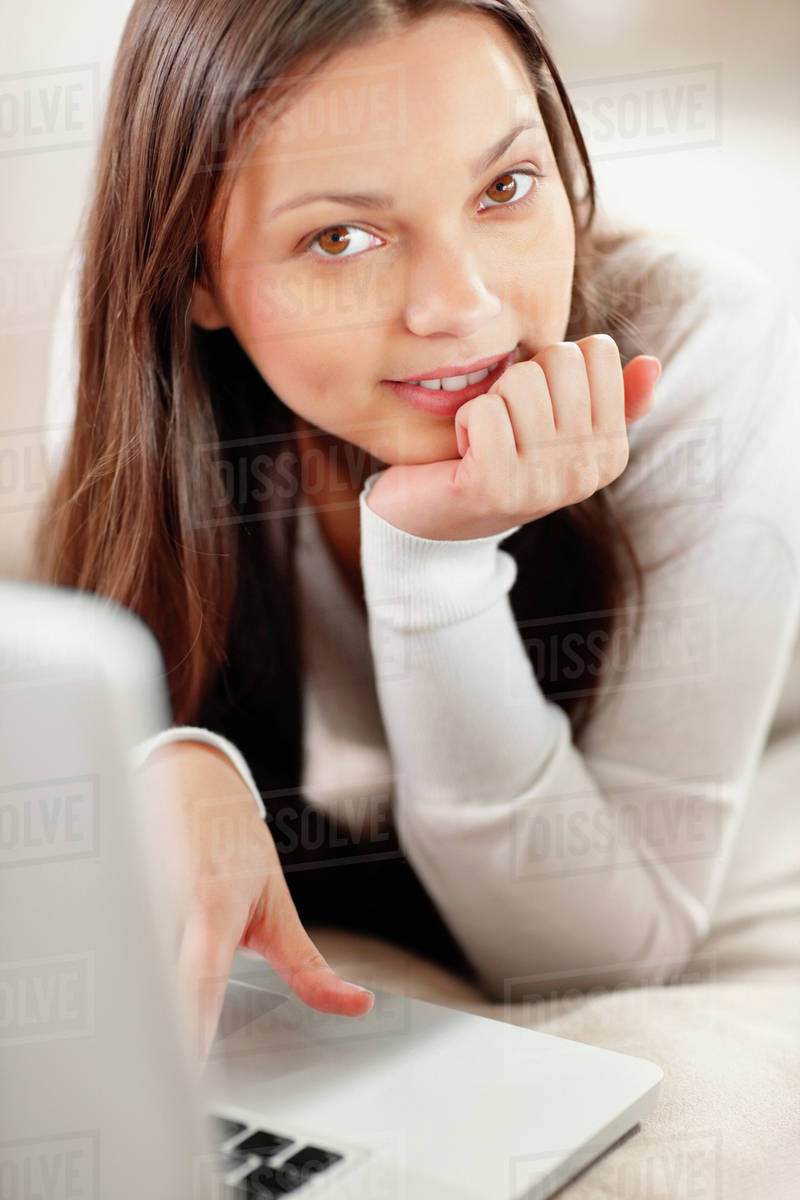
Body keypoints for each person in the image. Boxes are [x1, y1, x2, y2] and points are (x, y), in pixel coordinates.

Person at [36, 0, 800, 1062]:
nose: (462, 304)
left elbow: (589, 955)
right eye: (340, 237)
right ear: (197, 274)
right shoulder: (136, 351)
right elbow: (73, 684)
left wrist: (432, 567)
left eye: (503, 187)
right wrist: (170, 760)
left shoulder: (700, 345)